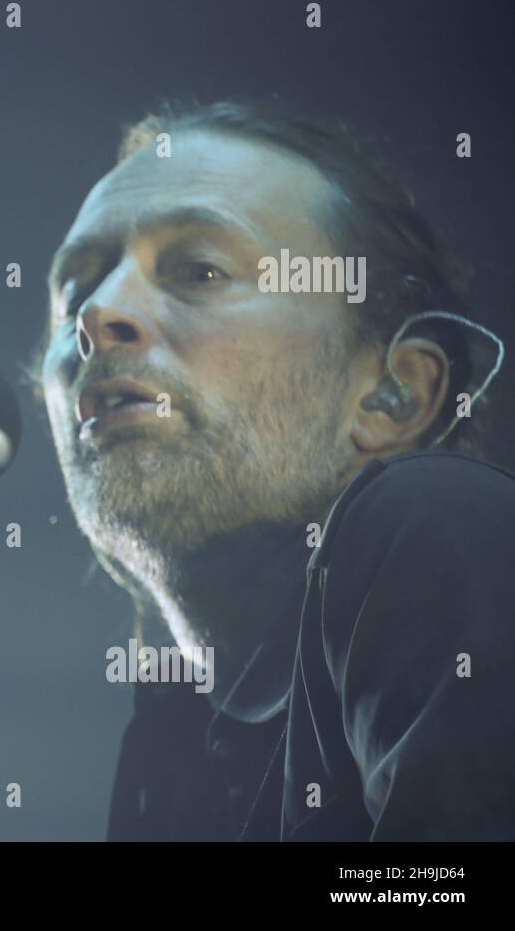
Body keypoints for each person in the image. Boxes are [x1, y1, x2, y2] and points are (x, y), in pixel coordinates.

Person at [34, 99, 514, 840]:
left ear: (393, 396)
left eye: (199, 270)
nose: (99, 314)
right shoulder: (175, 742)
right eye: (76, 289)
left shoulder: (437, 516)